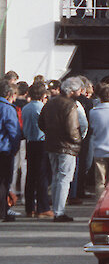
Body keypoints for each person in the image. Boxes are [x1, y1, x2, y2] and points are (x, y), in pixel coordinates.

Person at [37, 77, 83, 222]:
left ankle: (57, 209)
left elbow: (41, 122)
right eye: (78, 90)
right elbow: (72, 128)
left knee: (57, 177)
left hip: (52, 144)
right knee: (64, 179)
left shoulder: (50, 102)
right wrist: (78, 141)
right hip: (67, 146)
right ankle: (59, 211)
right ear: (72, 91)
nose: (80, 92)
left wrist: (50, 133)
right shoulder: (70, 105)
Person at [19, 82, 52, 218]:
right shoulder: (43, 108)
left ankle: (29, 208)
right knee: (42, 176)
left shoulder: (25, 108)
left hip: (30, 142)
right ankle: (43, 207)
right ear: (43, 95)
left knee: (30, 176)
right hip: (41, 142)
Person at [0, 81, 22, 222]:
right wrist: (15, 148)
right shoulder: (8, 109)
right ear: (9, 94)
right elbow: (14, 132)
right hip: (4, 149)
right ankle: (3, 210)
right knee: (4, 182)